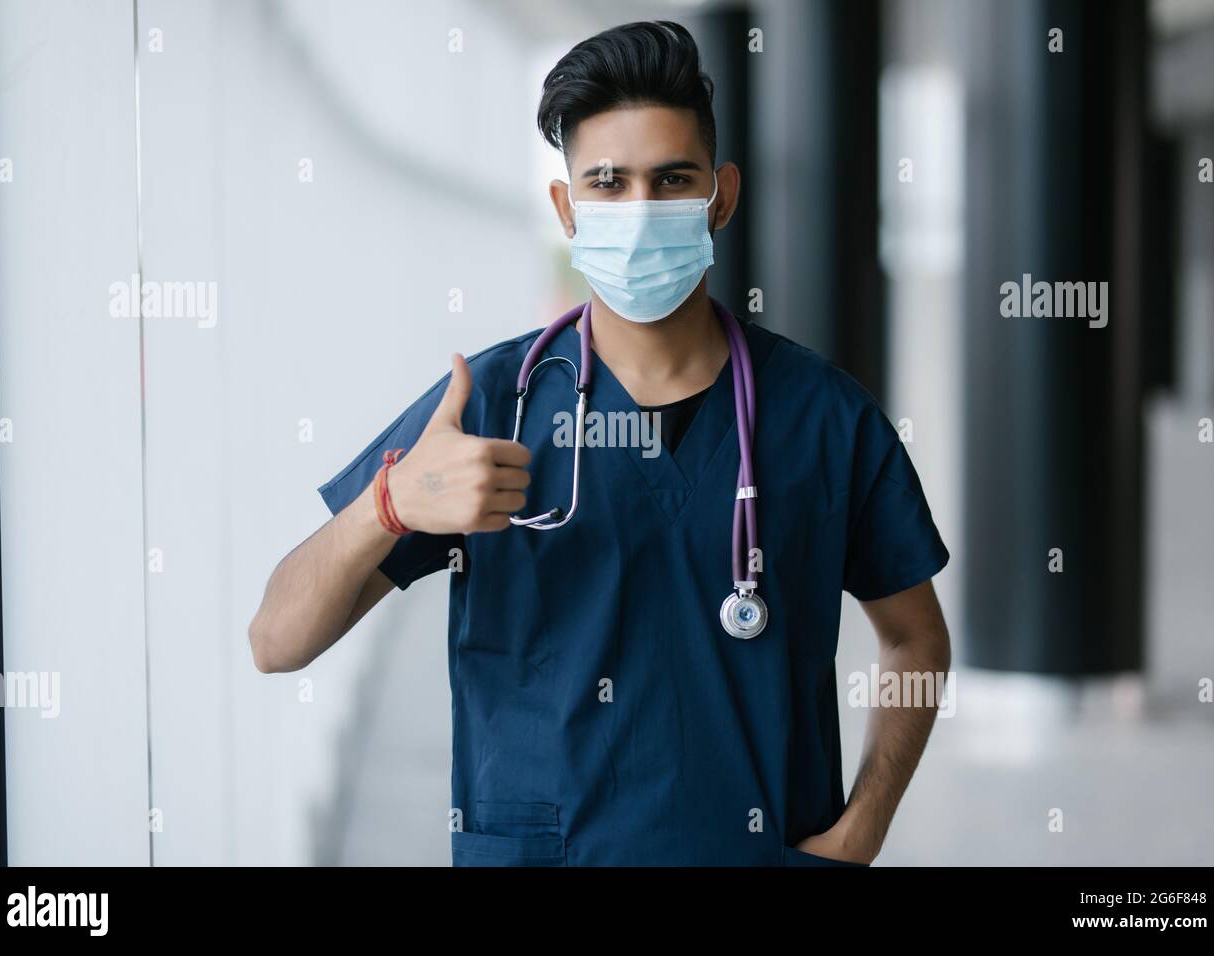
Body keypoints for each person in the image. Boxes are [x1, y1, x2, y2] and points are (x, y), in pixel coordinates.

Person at [249, 20, 951, 867]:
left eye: (672, 180)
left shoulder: (824, 419)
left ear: (721, 197)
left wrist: (863, 829)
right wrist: (390, 505)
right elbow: (276, 641)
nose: (640, 211)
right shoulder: (492, 403)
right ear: (566, 208)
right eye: (608, 184)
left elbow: (915, 637)